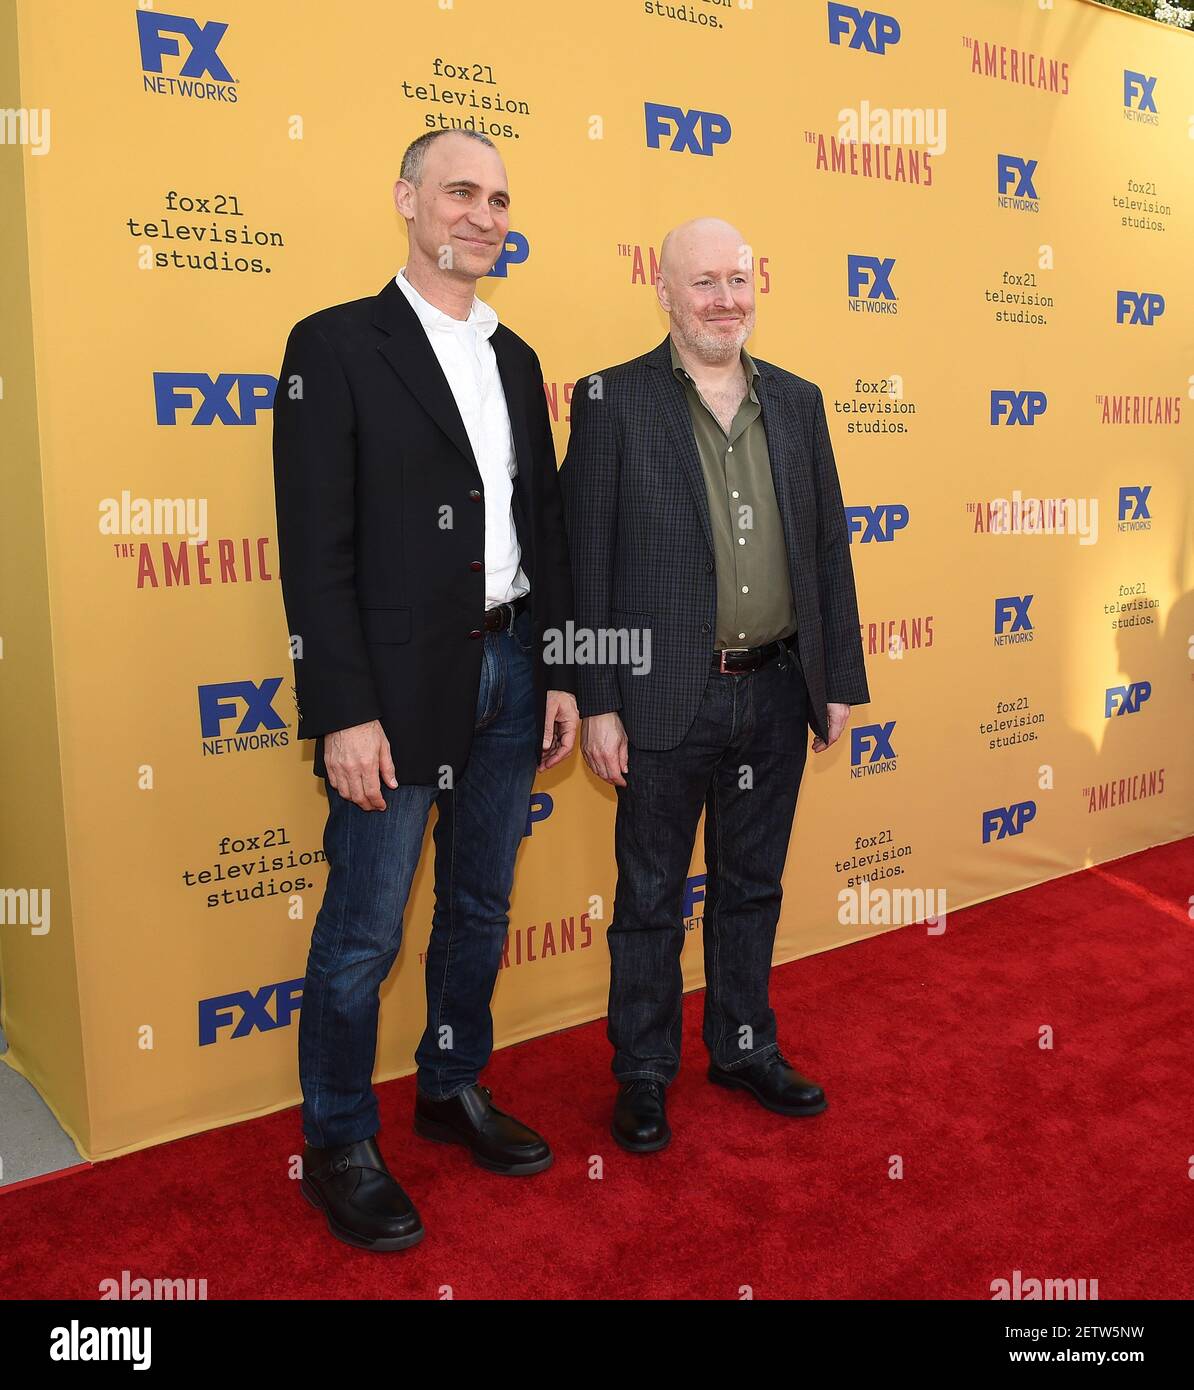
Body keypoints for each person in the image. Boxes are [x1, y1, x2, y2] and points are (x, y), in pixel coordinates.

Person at [272, 129, 578, 1249]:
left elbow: (538, 531)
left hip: (512, 664)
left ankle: (450, 1086)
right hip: (392, 697)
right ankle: (340, 1138)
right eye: (460, 191)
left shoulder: (516, 356)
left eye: (499, 197)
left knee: (481, 905)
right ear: (406, 199)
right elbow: (316, 550)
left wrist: (557, 669)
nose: (482, 214)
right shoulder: (336, 346)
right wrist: (344, 711)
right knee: (364, 930)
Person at [560, 217, 869, 1154]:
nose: (725, 299)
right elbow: (585, 563)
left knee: (752, 887)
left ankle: (741, 1047)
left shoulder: (801, 401)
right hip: (661, 699)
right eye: (704, 282)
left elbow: (826, 548)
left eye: (738, 279)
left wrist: (837, 680)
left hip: (775, 691)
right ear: (663, 290)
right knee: (650, 897)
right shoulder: (612, 400)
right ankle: (644, 1073)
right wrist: (601, 699)